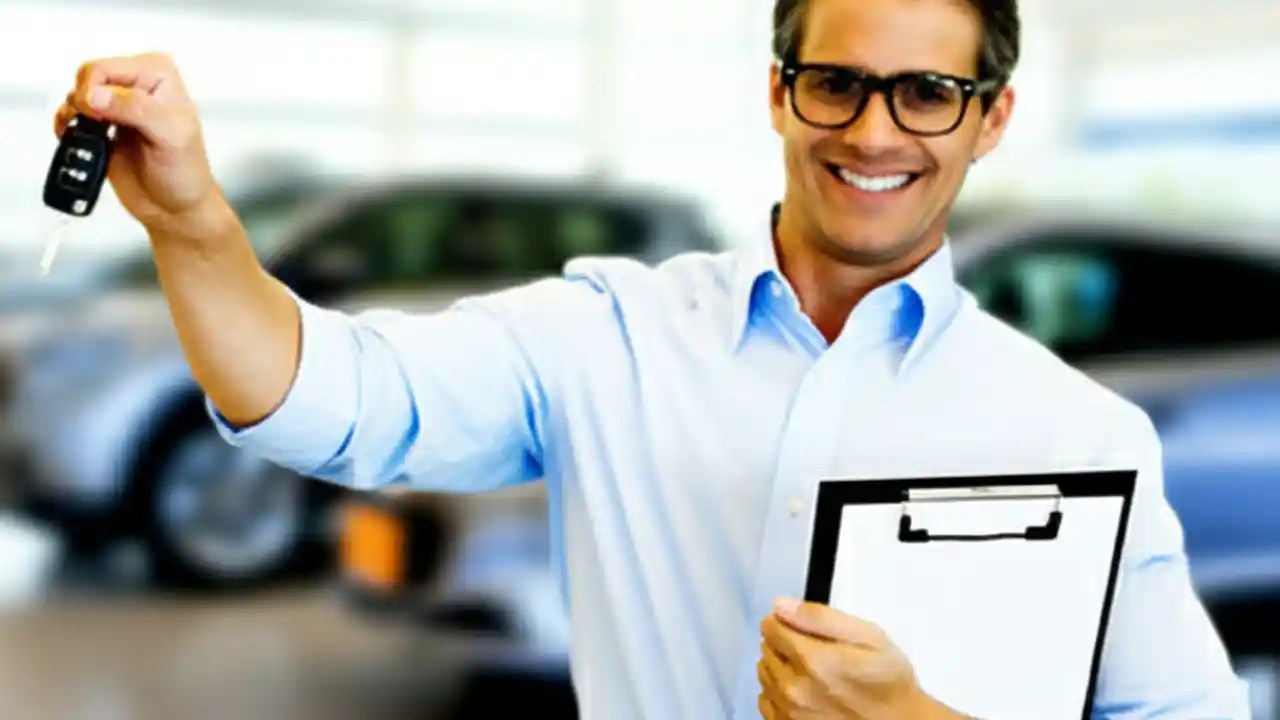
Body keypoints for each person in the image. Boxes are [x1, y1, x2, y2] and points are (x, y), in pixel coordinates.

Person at [56, 0, 1249, 717]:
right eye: (835, 83)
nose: (873, 131)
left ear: (990, 118)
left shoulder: (1079, 433)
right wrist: (191, 223)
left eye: (927, 94)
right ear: (779, 96)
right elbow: (330, 399)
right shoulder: (605, 334)